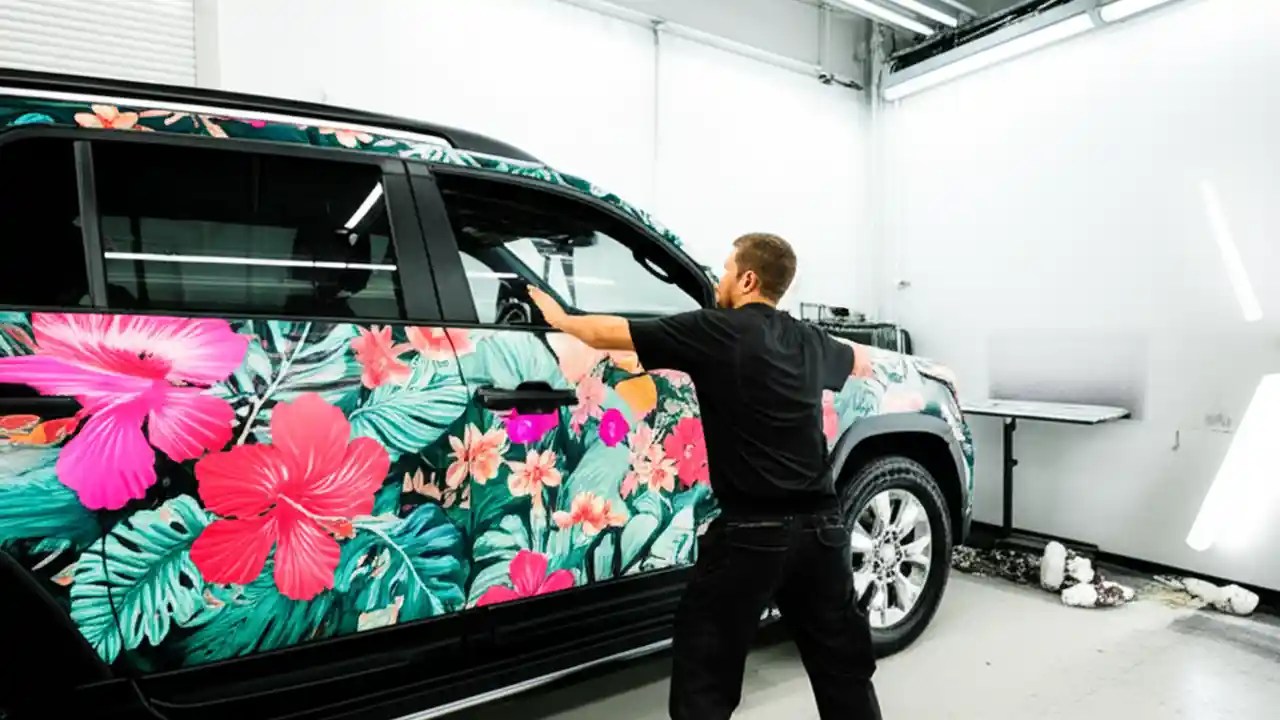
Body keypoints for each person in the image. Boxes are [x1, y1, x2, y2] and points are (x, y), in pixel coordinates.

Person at [526, 232, 883, 720]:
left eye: (727, 269)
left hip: (750, 537)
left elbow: (606, 333)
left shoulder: (716, 330)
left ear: (749, 278)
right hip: (823, 532)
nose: (721, 279)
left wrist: (559, 316)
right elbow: (861, 362)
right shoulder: (809, 339)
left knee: (705, 680)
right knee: (844, 672)